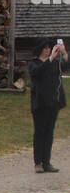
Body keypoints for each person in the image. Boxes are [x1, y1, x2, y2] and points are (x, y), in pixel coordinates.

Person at [27, 37, 67, 173]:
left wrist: (65, 53)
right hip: (39, 103)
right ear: (40, 49)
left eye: (49, 47)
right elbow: (37, 73)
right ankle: (38, 162)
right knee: (40, 132)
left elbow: (66, 67)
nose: (48, 50)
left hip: (53, 102)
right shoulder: (33, 63)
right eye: (45, 48)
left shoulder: (55, 63)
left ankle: (46, 162)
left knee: (49, 133)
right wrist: (49, 59)